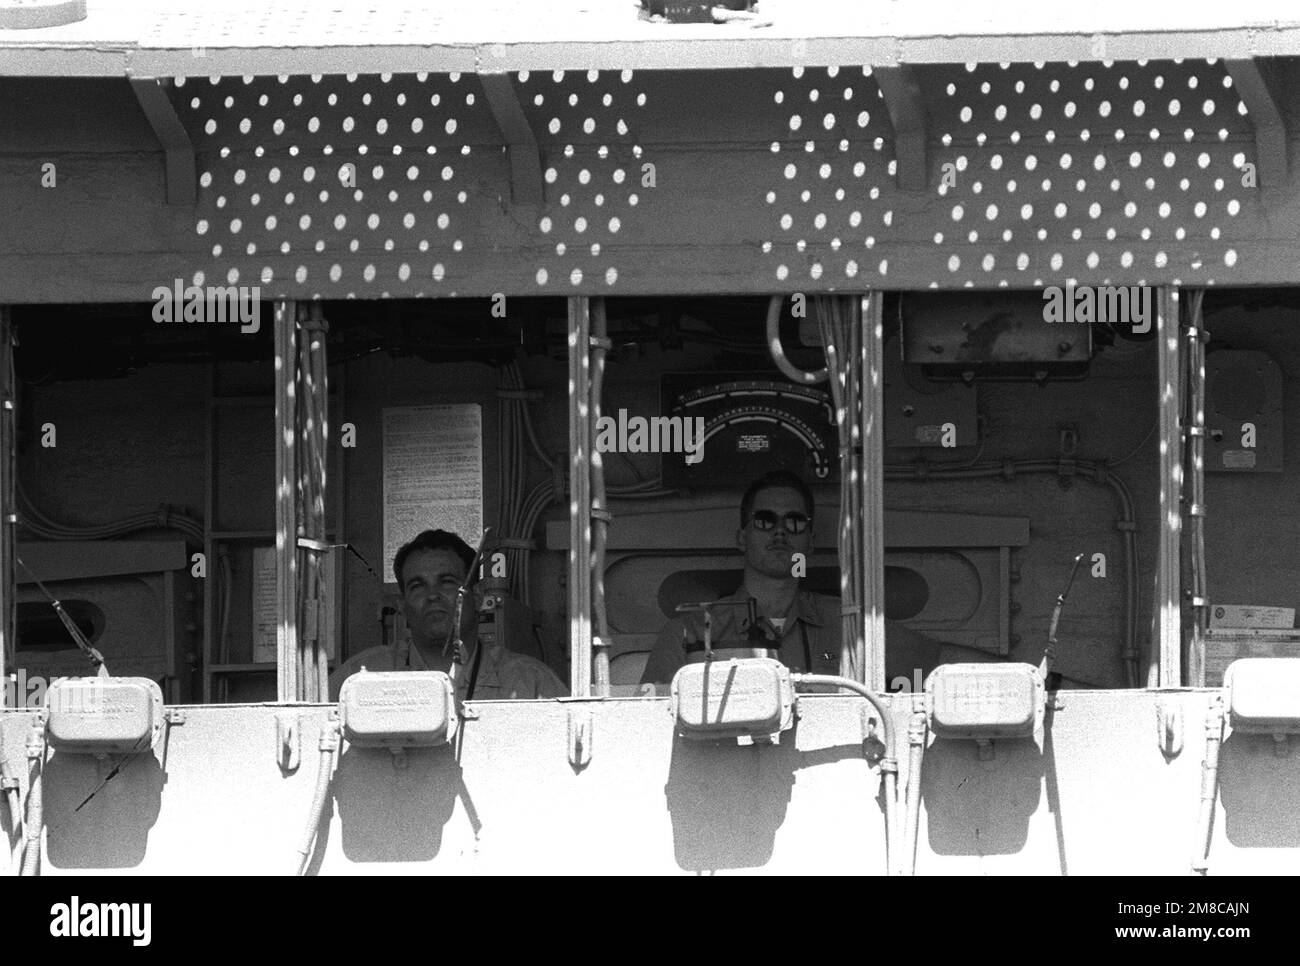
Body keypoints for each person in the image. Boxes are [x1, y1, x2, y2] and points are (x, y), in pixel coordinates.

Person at [640, 470, 959, 688]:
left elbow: (940, 664)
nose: (780, 531)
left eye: (794, 522)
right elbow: (647, 725)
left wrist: (1008, 670)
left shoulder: (846, 623)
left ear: (810, 541)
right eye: (764, 520)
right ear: (741, 537)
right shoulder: (691, 630)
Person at [329, 529, 567, 701]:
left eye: (447, 582)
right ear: (402, 605)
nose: (433, 595)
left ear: (477, 596)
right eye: (418, 586)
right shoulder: (359, 679)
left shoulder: (531, 684)